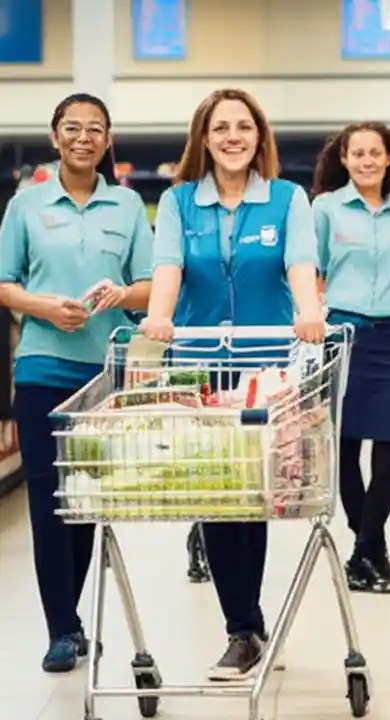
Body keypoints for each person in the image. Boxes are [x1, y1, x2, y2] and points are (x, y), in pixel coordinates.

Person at [139, 88, 325, 682]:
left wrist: (309, 310)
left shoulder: (287, 199)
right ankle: (242, 630)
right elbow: (168, 267)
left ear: (259, 136)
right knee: (217, 495)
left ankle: (249, 626)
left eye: (244, 126)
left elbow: (300, 262)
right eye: (221, 127)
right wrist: (159, 317)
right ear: (204, 138)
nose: (233, 137)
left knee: (252, 498)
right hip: (197, 365)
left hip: (264, 367)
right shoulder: (179, 202)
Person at [0, 93, 154, 673]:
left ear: (107, 140)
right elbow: (4, 283)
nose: (83, 138)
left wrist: (121, 294)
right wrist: (43, 306)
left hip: (104, 373)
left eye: (94, 129)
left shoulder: (128, 205)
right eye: (72, 128)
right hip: (42, 367)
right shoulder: (27, 205)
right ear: (55, 136)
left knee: (85, 498)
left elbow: (148, 285)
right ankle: (61, 628)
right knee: (47, 498)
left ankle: (70, 617)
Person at [311, 122, 390, 595]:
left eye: (374, 152)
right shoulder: (325, 209)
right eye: (357, 153)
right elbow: (312, 275)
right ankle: (372, 551)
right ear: (343, 159)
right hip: (343, 336)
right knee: (347, 447)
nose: (366, 161)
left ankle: (366, 549)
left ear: (388, 157)